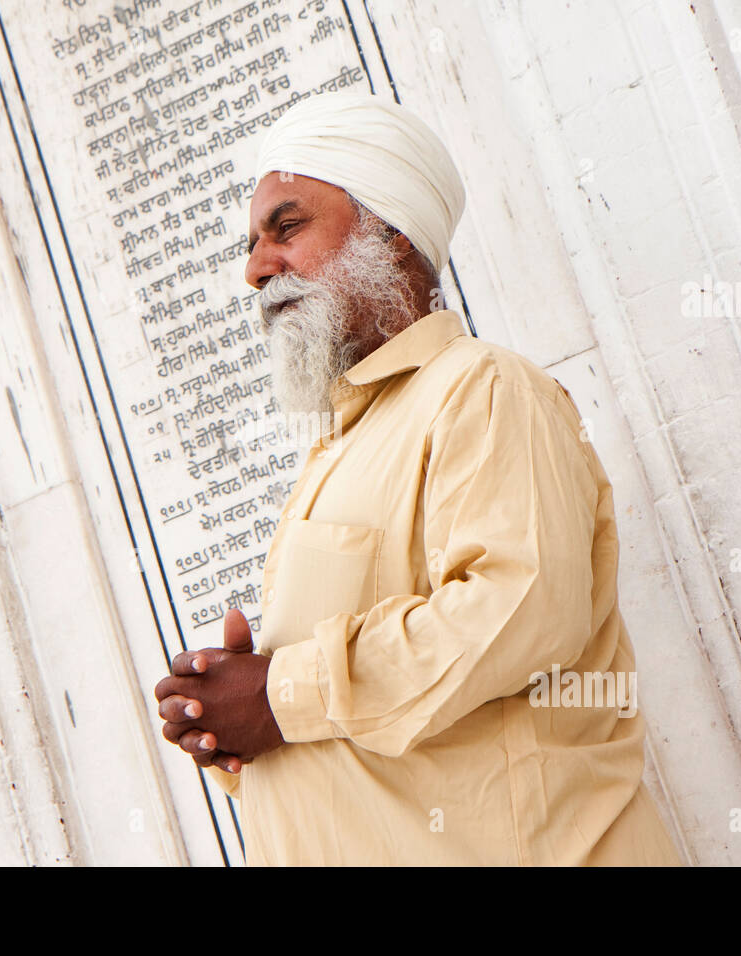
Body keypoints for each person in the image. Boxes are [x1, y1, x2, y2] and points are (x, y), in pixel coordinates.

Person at [153, 91, 683, 866]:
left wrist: (279, 695)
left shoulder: (484, 388)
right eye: (252, 243)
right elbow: (360, 727)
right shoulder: (342, 445)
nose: (255, 270)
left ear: (392, 236)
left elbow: (518, 614)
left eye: (287, 227)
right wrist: (230, 721)